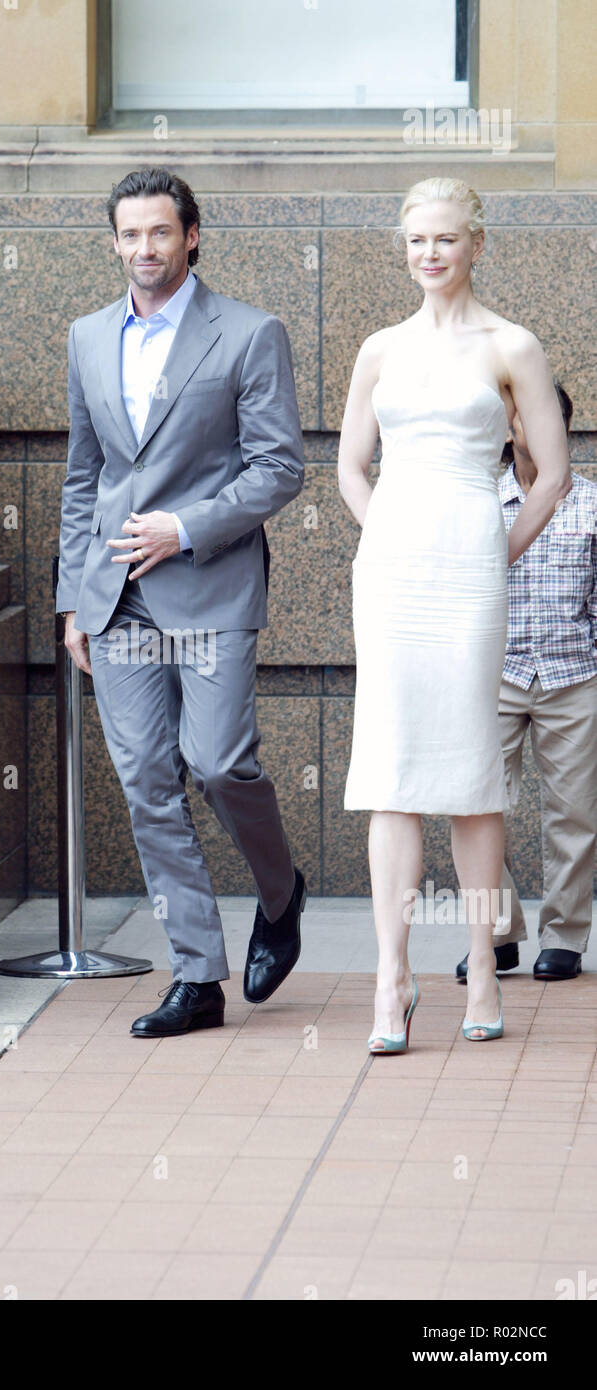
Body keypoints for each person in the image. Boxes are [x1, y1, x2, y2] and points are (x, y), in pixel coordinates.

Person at [55, 167, 306, 1038]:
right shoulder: (89, 336)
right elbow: (84, 475)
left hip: (210, 584)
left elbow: (278, 468)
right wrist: (72, 598)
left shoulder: (247, 333)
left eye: (159, 233)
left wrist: (184, 529)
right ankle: (197, 976)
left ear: (190, 235)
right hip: (114, 596)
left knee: (218, 761)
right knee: (146, 784)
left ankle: (279, 893)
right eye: (128, 235)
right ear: (115, 240)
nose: (144, 249)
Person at [337, 176, 572, 1052]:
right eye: (414, 242)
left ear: (476, 243)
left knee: (473, 779)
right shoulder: (378, 348)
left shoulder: (512, 345)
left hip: (470, 574)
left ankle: (481, 960)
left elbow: (549, 475)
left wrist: (494, 551)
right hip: (392, 574)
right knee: (391, 775)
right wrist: (386, 532)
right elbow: (351, 466)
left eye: (444, 239)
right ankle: (390, 977)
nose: (428, 254)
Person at [456, 383, 597, 984]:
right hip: (496, 677)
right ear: (507, 430)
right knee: (477, 805)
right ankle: (498, 934)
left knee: (574, 813)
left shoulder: (592, 503)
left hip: (574, 676)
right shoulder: (480, 501)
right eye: (524, 420)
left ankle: (564, 936)